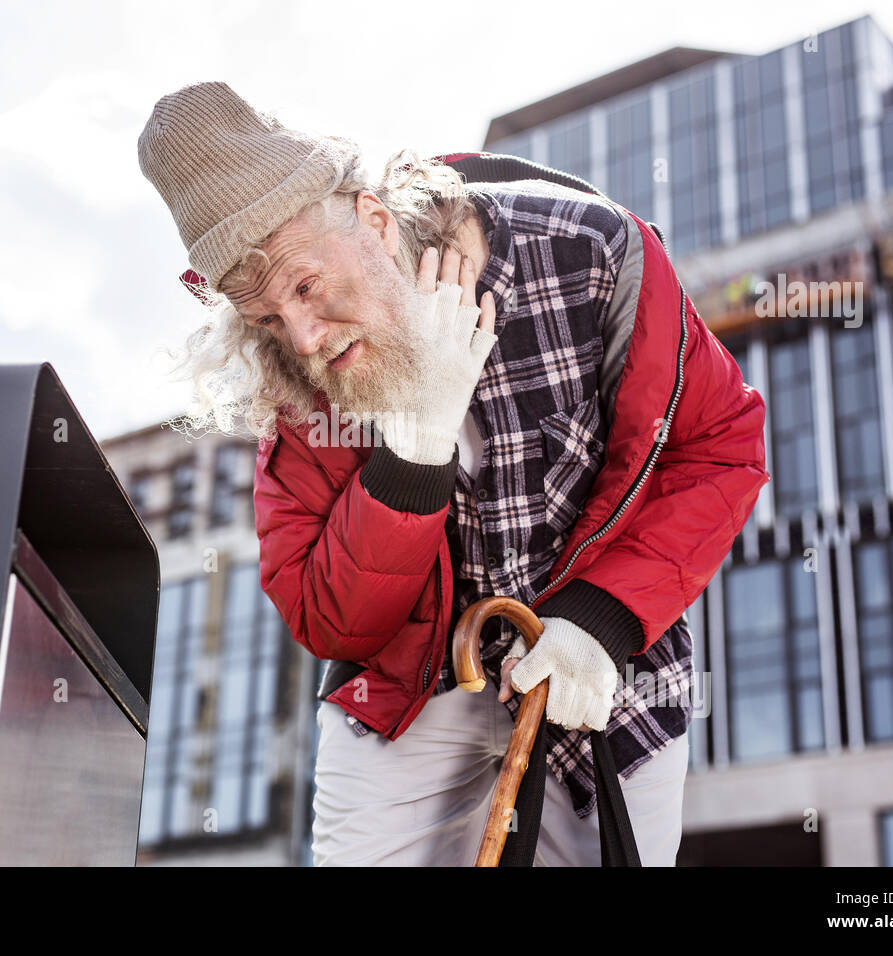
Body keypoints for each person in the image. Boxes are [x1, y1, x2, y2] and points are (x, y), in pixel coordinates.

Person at [138, 80, 769, 865]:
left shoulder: (591, 251)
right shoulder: (293, 379)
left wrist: (603, 617)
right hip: (408, 691)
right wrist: (414, 451)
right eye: (266, 317)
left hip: (600, 667)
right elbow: (329, 619)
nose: (300, 338)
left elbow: (719, 445)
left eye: (305, 288)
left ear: (372, 220)